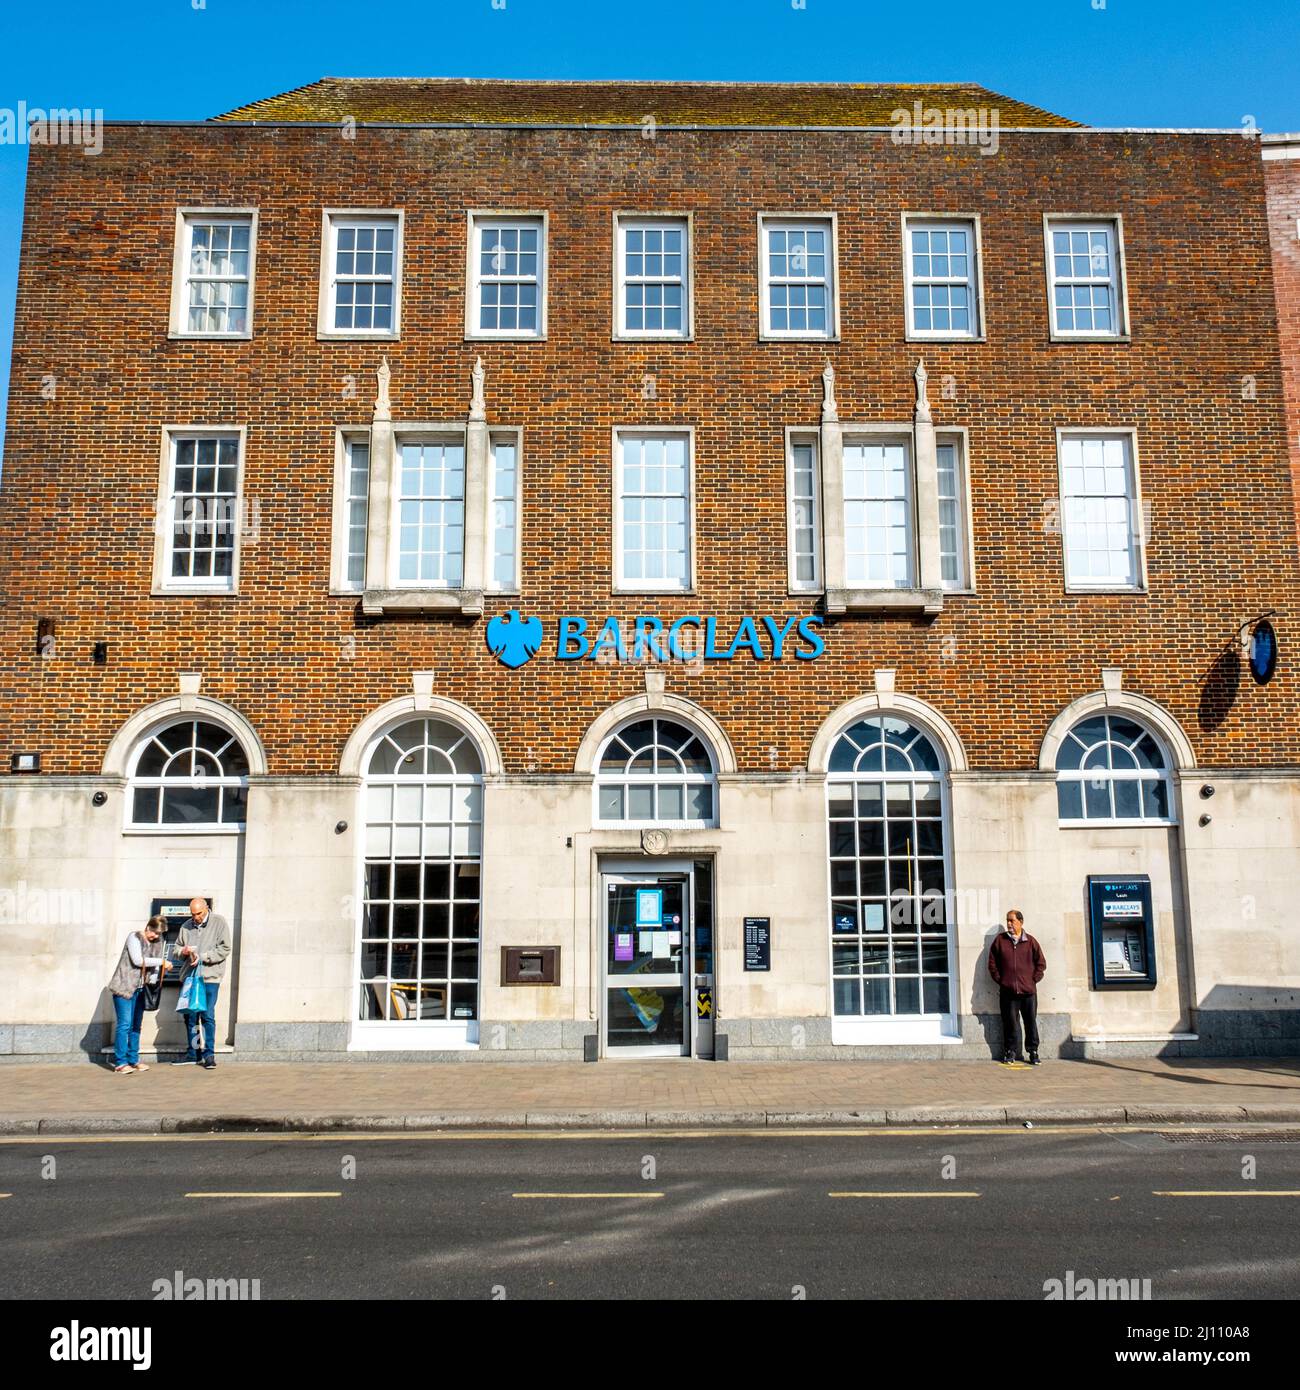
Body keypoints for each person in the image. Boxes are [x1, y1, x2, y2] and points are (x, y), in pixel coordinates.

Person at [174, 897, 232, 1070]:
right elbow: (176, 949)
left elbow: (225, 948)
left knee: (207, 1015)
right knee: (190, 1016)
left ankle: (209, 1054)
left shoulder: (219, 922)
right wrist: (183, 951)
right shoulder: (186, 926)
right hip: (190, 978)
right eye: (192, 914)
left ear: (206, 908)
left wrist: (204, 957)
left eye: (198, 913)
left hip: (210, 977)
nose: (195, 917)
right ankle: (193, 1053)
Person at [108, 915, 170, 1074]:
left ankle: (133, 1059)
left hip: (142, 988)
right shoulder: (134, 937)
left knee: (136, 1025)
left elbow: (154, 966)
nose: (156, 936)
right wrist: (161, 962)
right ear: (148, 927)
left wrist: (157, 975)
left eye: (159, 934)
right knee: (125, 1025)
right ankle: (120, 1062)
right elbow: (137, 960)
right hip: (124, 987)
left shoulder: (157, 943)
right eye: (154, 932)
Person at [987, 908, 1047, 1065]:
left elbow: (1041, 963)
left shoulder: (1031, 941)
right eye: (1007, 920)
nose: (1009, 923)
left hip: (1028, 992)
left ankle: (1033, 1052)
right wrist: (1001, 980)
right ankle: (1010, 1052)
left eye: (1012, 920)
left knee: (1030, 1023)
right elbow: (992, 963)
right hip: (1008, 992)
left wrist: (1033, 979)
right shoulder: (1000, 941)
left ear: (1021, 922)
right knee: (1010, 1023)